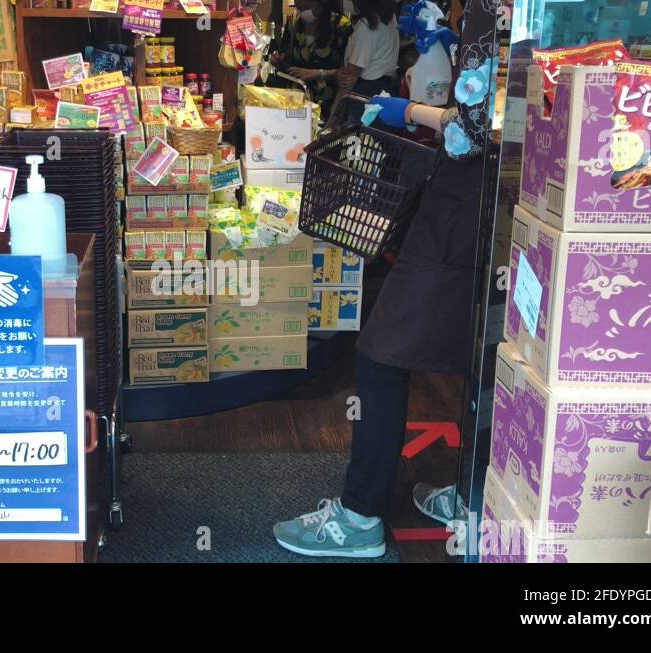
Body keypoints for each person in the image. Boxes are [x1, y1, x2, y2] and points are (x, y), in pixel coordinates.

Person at [273, 0, 495, 557]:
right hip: (506, 208)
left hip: (462, 206)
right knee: (489, 354)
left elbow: (470, 128)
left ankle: (360, 517)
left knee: (380, 354)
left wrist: (407, 111)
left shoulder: (489, 17)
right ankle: (476, 499)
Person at [268, 0, 353, 118]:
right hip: (294, 100)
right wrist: (278, 59)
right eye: (299, 8)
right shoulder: (293, 21)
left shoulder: (341, 27)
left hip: (326, 103)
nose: (302, 13)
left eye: (306, 8)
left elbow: (347, 73)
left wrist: (318, 73)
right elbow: (286, 52)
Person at [331, 0, 400, 125]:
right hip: (386, 89)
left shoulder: (367, 27)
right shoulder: (389, 18)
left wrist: (333, 114)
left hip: (365, 93)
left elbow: (350, 78)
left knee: (356, 138)